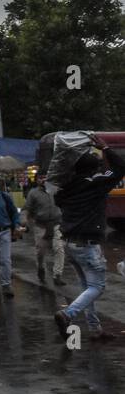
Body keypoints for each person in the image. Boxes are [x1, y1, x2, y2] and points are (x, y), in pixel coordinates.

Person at [53, 136, 125, 340]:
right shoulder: (97, 182)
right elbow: (120, 167)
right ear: (95, 169)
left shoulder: (67, 186)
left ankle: (95, 329)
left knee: (87, 287)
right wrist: (105, 148)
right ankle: (68, 314)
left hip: (69, 243)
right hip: (87, 244)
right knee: (97, 287)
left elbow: (58, 196)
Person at [23, 173, 66, 288]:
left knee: (59, 249)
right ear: (36, 180)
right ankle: (41, 269)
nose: (44, 180)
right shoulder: (33, 193)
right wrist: (24, 222)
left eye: (45, 177)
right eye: (41, 178)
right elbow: (27, 209)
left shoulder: (55, 190)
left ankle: (57, 275)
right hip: (40, 226)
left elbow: (65, 203)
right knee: (40, 252)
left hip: (56, 224)